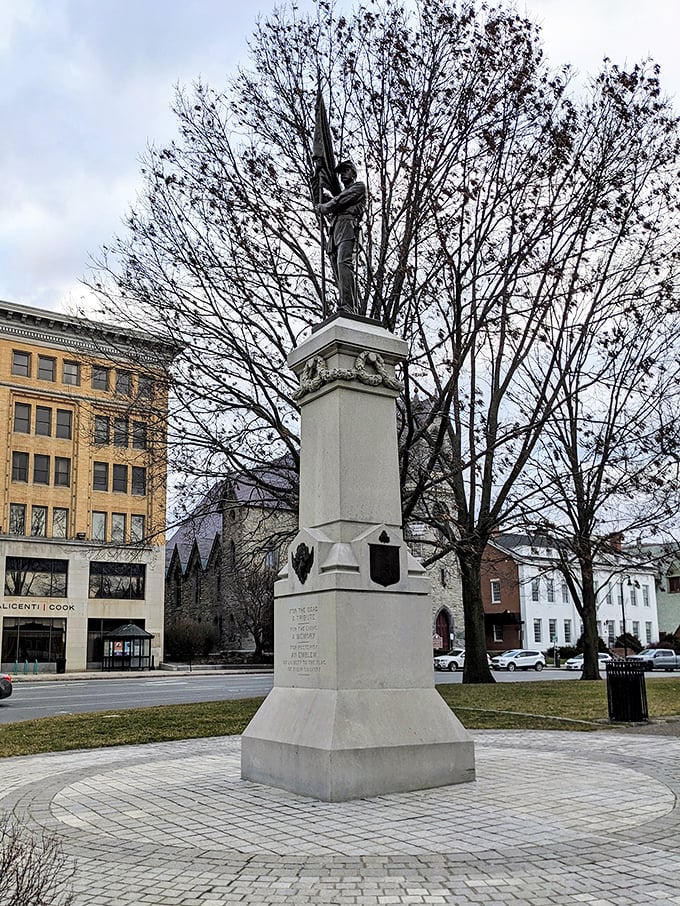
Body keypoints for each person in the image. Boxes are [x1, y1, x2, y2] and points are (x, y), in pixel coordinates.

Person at [316, 160, 366, 312]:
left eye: (346, 170)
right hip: (335, 231)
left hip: (347, 227)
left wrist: (326, 206)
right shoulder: (340, 195)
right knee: (338, 270)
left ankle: (348, 306)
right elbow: (335, 201)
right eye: (341, 172)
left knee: (344, 264)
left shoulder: (358, 187)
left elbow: (339, 201)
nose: (343, 174)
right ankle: (348, 303)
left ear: (353, 172)